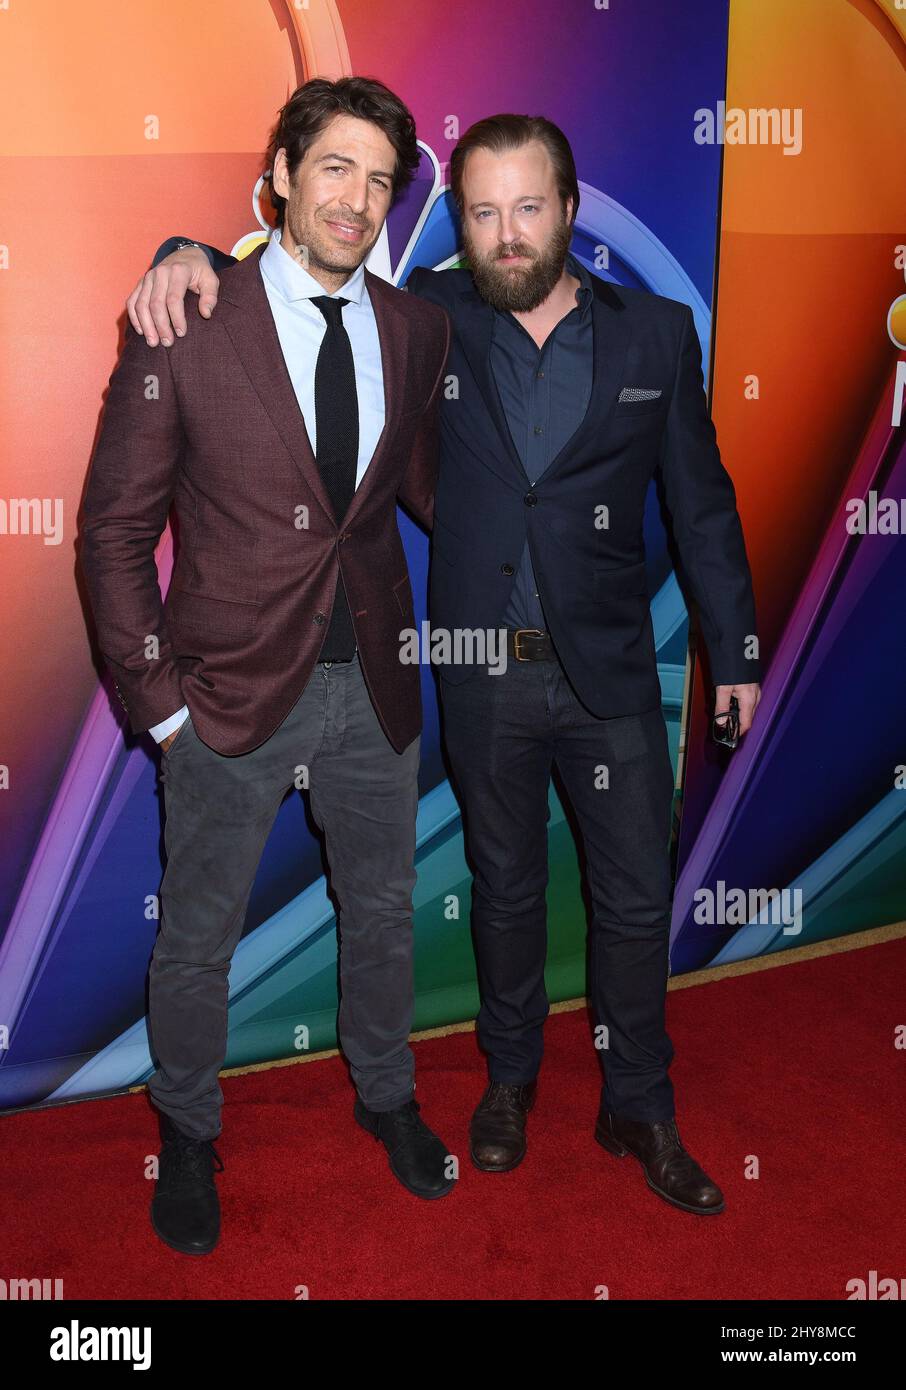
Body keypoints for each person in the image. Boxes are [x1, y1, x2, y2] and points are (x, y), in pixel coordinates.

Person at [129, 114, 762, 1217]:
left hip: (614, 674)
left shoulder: (657, 336)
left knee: (633, 902)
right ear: (459, 227)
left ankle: (640, 1105)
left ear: (570, 209)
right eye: (482, 212)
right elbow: (293, 273)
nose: (508, 233)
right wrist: (180, 250)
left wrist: (738, 649)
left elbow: (702, 504)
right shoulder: (432, 318)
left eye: (529, 207)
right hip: (482, 669)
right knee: (503, 889)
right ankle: (509, 1084)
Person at [81, 76, 454, 1257]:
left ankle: (386, 1092)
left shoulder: (417, 328)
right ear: (282, 174)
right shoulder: (189, 317)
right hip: (226, 695)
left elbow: (433, 493)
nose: (357, 199)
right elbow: (113, 535)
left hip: (375, 684)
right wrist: (162, 711)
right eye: (335, 167)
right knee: (198, 933)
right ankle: (189, 1128)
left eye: (380, 180)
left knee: (384, 913)